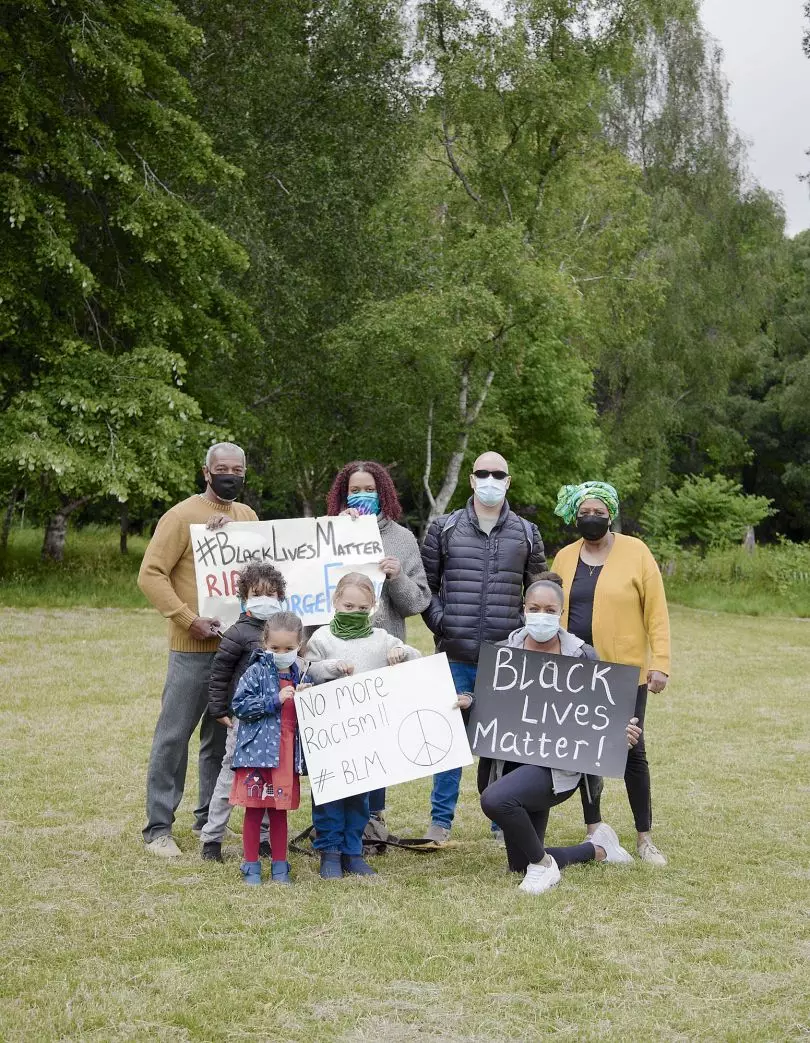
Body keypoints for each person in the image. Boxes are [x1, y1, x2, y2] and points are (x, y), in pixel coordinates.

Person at [477, 572, 642, 895]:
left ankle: (544, 867)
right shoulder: (502, 652)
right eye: (534, 608)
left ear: (561, 614)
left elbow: (599, 714)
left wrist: (623, 734)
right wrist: (470, 701)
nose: (542, 616)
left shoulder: (581, 656)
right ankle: (598, 849)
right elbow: (488, 704)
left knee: (495, 800)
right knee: (517, 863)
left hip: (556, 768)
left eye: (550, 610)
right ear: (523, 609)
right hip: (510, 761)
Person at [421, 450, 547, 844]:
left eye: (499, 474)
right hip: (455, 653)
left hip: (505, 658)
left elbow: (542, 590)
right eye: (482, 473)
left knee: (503, 744)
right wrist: (443, 623)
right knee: (449, 744)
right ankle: (440, 822)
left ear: (508, 481)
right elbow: (425, 586)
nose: (490, 479)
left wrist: (523, 632)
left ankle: (501, 821)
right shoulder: (444, 528)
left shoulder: (527, 532)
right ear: (472, 480)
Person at [138, 442, 258, 857]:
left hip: (236, 650)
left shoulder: (247, 517)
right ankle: (158, 828)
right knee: (174, 736)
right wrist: (188, 619)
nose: (231, 475)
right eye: (222, 468)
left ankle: (209, 821)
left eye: (238, 469)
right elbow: (150, 575)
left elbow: (259, 579)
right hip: (192, 648)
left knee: (219, 739)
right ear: (206, 472)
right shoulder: (181, 516)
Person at [553, 481, 671, 866]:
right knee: (586, 751)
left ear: (611, 514)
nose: (592, 518)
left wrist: (660, 664)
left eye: (598, 512)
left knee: (632, 750)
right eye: (584, 513)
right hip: (575, 668)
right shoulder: (565, 558)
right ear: (575, 516)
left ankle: (644, 837)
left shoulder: (637, 552)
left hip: (623, 671)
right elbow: (549, 608)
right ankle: (595, 828)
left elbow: (656, 612)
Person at [326, 460, 430, 836]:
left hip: (381, 653)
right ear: (342, 493)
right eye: (354, 489)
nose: (361, 495)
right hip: (336, 651)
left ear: (383, 492)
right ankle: (333, 818)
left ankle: (373, 818)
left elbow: (417, 602)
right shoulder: (325, 535)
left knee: (375, 736)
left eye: (368, 488)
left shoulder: (402, 539)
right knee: (337, 736)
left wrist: (398, 575)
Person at [305, 573, 421, 879]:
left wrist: (402, 653)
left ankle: (353, 851)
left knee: (360, 797)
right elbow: (306, 671)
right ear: (335, 601)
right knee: (329, 794)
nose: (354, 612)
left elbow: (416, 657)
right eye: (348, 605)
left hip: (365, 737)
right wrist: (329, 668)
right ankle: (329, 852)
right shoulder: (321, 639)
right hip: (330, 733)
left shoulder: (381, 639)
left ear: (372, 608)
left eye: (361, 608)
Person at [200, 562, 287, 863]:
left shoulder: (284, 631)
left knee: (269, 776)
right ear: (245, 596)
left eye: (271, 593)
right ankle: (212, 838)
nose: (265, 598)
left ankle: (264, 838)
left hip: (276, 719)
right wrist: (218, 707)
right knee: (229, 774)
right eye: (257, 593)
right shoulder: (237, 633)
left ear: (280, 596)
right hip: (244, 720)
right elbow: (219, 673)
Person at [229, 611, 311, 885]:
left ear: (299, 644)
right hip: (257, 755)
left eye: (288, 648)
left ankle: (280, 866)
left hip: (286, 756)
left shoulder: (300, 673)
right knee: (254, 810)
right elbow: (240, 706)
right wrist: (273, 699)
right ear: (265, 644)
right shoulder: (255, 672)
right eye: (275, 648)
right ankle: (250, 865)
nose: (282, 653)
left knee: (279, 812)